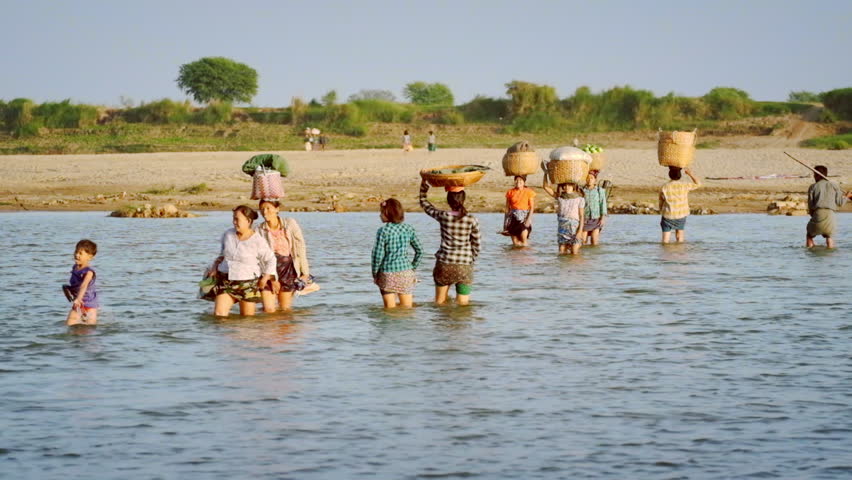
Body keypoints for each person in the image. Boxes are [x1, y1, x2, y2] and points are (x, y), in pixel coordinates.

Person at [203, 205, 276, 317]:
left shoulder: (258, 240)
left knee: (247, 320)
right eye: (233, 218)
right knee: (219, 315)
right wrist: (214, 268)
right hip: (226, 282)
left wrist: (265, 278)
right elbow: (222, 255)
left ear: (248, 221)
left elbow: (271, 259)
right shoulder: (228, 235)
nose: (234, 222)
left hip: (248, 284)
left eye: (237, 219)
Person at [420, 180, 481, 305]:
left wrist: (423, 188)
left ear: (448, 201)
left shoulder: (443, 216)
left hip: (444, 264)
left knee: (439, 302)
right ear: (463, 199)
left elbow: (425, 204)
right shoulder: (472, 219)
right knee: (463, 305)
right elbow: (477, 244)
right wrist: (470, 259)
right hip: (464, 266)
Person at [257, 199, 315, 312]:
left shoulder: (290, 224)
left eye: (268, 208)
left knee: (285, 309)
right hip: (269, 271)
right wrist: (272, 279)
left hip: (288, 271)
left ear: (277, 209)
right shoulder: (259, 230)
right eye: (262, 209)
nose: (265, 212)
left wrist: (305, 273)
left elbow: (300, 248)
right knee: (269, 309)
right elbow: (260, 257)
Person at [371, 198, 423, 308]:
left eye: (381, 212)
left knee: (389, 310)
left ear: (387, 213)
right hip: (406, 273)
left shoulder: (383, 231)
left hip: (387, 273)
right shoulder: (409, 228)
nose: (379, 215)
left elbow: (377, 256)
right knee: (407, 308)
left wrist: (375, 274)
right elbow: (420, 251)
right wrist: (412, 268)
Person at [806, 165, 852, 248]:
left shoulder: (813, 187)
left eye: (814, 175)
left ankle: (810, 249)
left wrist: (813, 216)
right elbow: (840, 203)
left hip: (818, 213)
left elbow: (810, 205)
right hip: (831, 216)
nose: (813, 177)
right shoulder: (835, 185)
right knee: (829, 236)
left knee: (809, 235)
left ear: (817, 175)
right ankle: (830, 251)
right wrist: (847, 197)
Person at [543, 176, 585, 255]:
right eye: (564, 185)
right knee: (562, 252)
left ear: (573, 186)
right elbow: (545, 187)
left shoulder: (579, 199)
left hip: (574, 228)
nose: (566, 187)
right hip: (562, 228)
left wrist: (580, 231)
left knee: (574, 252)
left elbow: (582, 216)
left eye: (569, 185)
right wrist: (545, 174)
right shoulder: (560, 197)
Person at [659, 167, 701, 244]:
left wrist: (661, 210)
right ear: (680, 176)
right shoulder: (684, 185)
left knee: (665, 240)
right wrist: (690, 174)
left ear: (669, 175)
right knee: (680, 237)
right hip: (681, 214)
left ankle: (665, 251)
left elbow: (661, 201)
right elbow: (698, 184)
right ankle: (680, 250)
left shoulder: (664, 186)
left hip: (668, 214)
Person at [65, 239, 99, 326]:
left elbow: (84, 285)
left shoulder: (88, 272)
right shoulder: (75, 268)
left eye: (80, 253)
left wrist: (78, 299)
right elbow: (76, 284)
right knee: (69, 326)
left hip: (90, 305)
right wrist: (67, 289)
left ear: (89, 257)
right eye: (76, 252)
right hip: (78, 304)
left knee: (89, 330)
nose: (77, 255)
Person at [502, 175, 536, 246]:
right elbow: (507, 208)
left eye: (520, 180)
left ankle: (526, 252)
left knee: (523, 239)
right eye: (516, 180)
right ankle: (517, 253)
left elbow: (532, 208)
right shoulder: (510, 192)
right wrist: (505, 224)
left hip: (524, 218)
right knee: (515, 242)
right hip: (513, 218)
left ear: (524, 182)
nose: (518, 182)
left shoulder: (529, 192)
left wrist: (528, 220)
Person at [582, 171, 608, 245]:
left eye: (591, 178)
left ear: (595, 180)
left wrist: (603, 218)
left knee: (594, 241)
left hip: (596, 218)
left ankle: (594, 253)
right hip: (584, 219)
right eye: (587, 178)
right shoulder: (582, 190)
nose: (589, 180)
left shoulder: (600, 190)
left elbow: (603, 204)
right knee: (583, 241)